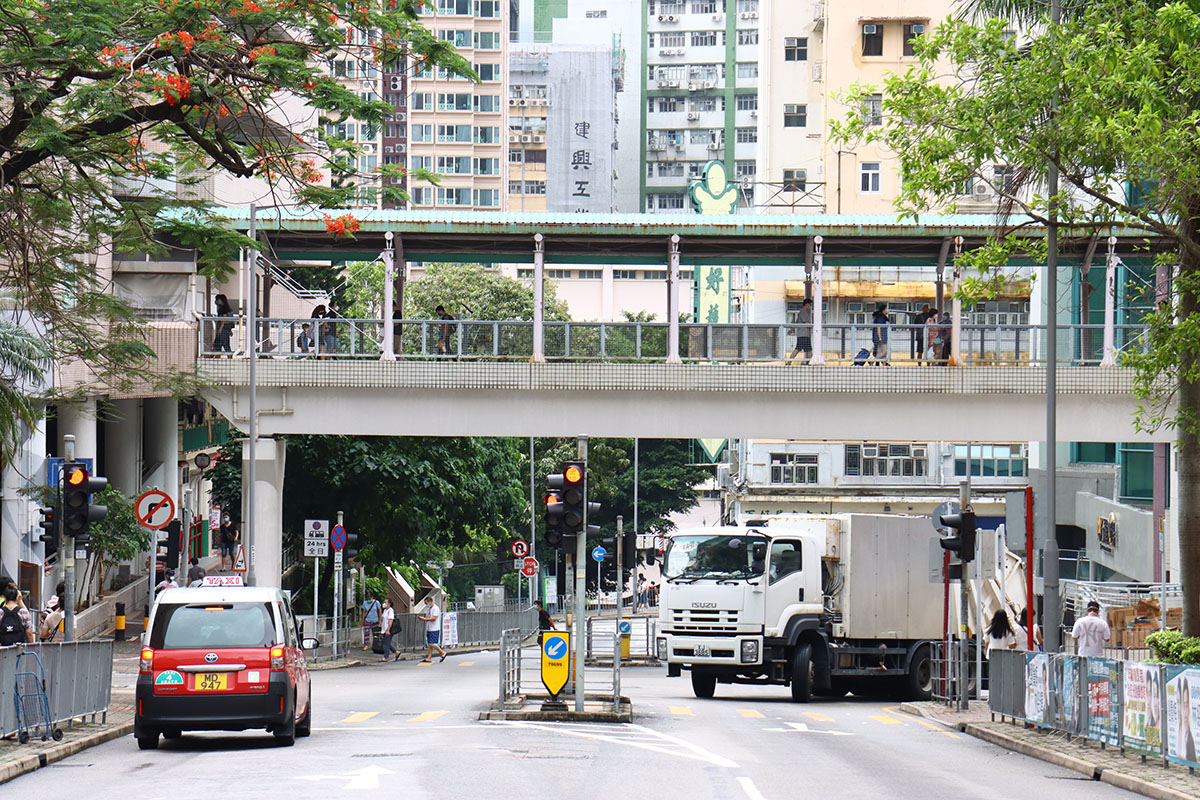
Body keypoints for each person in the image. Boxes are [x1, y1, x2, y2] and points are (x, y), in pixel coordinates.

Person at [418, 594, 447, 663]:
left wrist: (424, 619)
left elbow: (434, 618)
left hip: (434, 628)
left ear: (430, 601)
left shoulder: (435, 608)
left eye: (426, 603)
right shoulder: (430, 608)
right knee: (430, 644)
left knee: (431, 643)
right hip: (430, 628)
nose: (426, 605)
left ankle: (442, 652)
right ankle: (429, 658)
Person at [788, 298, 813, 363]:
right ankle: (789, 361)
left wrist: (792, 329)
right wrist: (813, 326)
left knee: (805, 349)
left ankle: (789, 361)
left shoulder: (801, 312)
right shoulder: (803, 312)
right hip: (804, 334)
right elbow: (806, 322)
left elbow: (797, 322)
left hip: (803, 334)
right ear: (807, 304)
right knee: (804, 349)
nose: (810, 306)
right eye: (810, 305)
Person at [379, 598, 396, 662]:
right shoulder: (385, 610)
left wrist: (388, 630)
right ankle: (396, 652)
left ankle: (386, 657)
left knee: (386, 643)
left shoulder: (390, 610)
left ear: (389, 604)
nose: (384, 604)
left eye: (385, 602)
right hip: (384, 629)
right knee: (386, 642)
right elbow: (383, 618)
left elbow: (390, 620)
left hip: (388, 629)